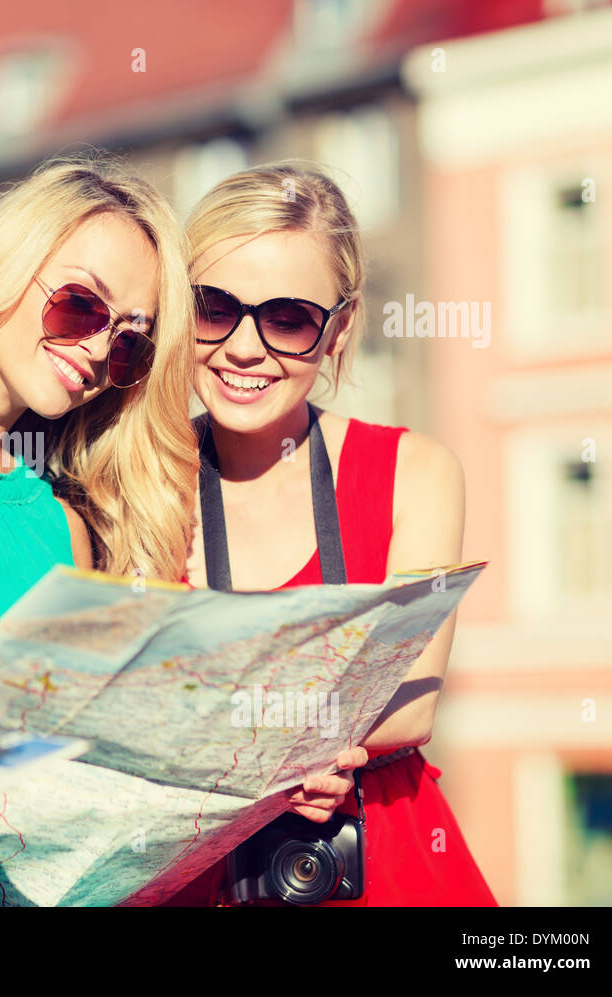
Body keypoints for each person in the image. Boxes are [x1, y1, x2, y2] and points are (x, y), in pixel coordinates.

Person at [0, 154, 363, 858]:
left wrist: (278, 776)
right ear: (7, 265)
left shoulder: (65, 533)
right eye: (80, 306)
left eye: (128, 342)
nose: (95, 350)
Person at [166, 161, 496, 906]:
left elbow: (410, 702)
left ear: (339, 328)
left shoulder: (414, 471)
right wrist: (303, 738)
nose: (244, 348)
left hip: (389, 863)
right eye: (214, 308)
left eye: (288, 319)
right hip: (200, 872)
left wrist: (236, 737)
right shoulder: (138, 478)